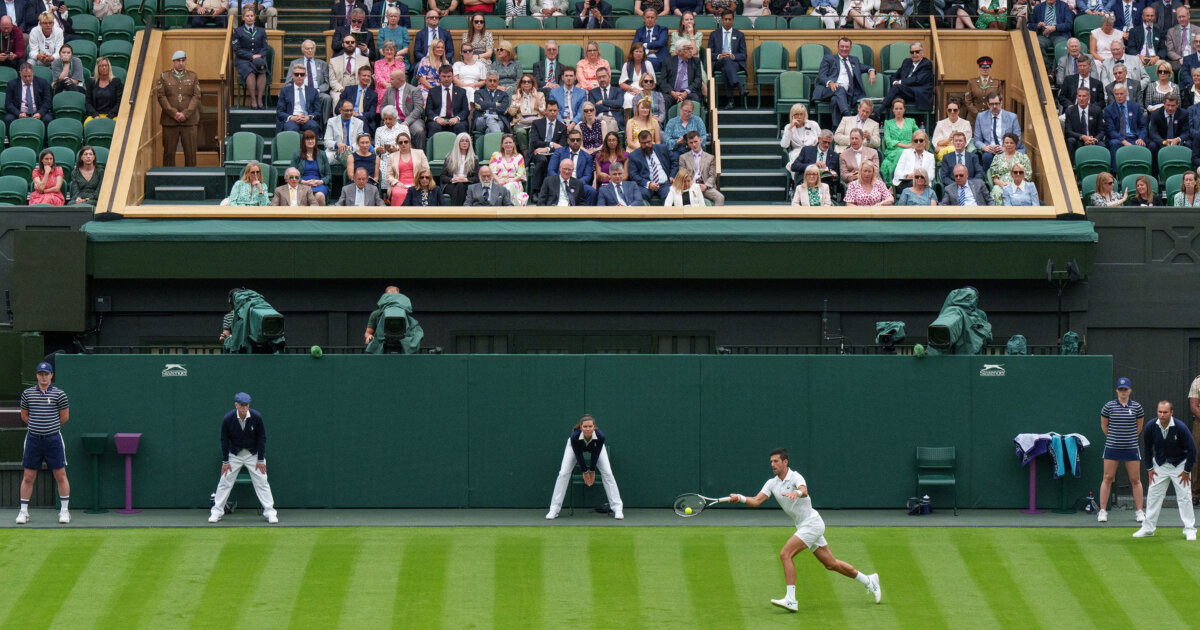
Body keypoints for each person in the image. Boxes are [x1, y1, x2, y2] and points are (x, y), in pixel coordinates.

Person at [727, 448, 880, 612]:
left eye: (776, 461)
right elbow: (756, 501)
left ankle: (791, 600)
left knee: (785, 554)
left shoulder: (795, 476)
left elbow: (804, 490)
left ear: (785, 462)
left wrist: (797, 492)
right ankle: (869, 580)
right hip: (804, 525)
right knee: (831, 564)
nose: (772, 464)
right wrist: (740, 498)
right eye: (771, 461)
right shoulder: (772, 483)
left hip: (812, 523)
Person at [207, 392, 278, 524]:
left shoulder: (256, 417)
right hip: (234, 454)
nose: (245, 408)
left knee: (262, 481)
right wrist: (225, 461)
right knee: (225, 481)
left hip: (254, 455)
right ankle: (216, 511)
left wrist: (261, 459)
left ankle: (270, 512)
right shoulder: (228, 418)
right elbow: (224, 440)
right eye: (242, 405)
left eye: (247, 405)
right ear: (236, 405)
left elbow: (262, 438)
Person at [15, 362, 70, 524]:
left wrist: (49, 427)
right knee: (28, 477)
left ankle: (64, 511)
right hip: (33, 439)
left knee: (60, 475)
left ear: (51, 375)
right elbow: (24, 416)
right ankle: (23, 512)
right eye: (41, 374)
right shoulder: (27, 394)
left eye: (46, 374)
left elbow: (64, 417)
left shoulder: (60, 394)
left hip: (53, 439)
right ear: (37, 375)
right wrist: (38, 427)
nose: (43, 377)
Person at [1133, 400, 1196, 540]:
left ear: (1171, 412)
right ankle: (1148, 528)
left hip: (1180, 465)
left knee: (1184, 497)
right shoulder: (1150, 426)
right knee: (1153, 496)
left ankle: (1190, 529)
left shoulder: (1180, 427)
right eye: (1159, 412)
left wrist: (1186, 471)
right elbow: (1147, 448)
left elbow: (1192, 449)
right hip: (1160, 465)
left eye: (1165, 412)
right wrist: (1150, 468)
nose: (1162, 415)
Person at [546, 414, 624, 520]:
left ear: (594, 427)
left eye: (590, 426)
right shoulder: (574, 437)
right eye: (585, 427)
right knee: (563, 473)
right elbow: (579, 455)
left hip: (596, 449)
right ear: (581, 427)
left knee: (608, 473)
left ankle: (617, 509)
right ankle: (554, 509)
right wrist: (585, 471)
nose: (588, 429)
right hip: (574, 448)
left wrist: (591, 471)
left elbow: (595, 454)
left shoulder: (600, 436)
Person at [1096, 377, 1147, 523]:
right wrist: (1115, 438)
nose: (1123, 392)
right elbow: (1104, 427)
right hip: (1112, 447)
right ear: (1117, 390)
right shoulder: (1108, 406)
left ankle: (1139, 511)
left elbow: (1139, 427)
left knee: (1135, 479)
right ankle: (1103, 511)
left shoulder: (1137, 407)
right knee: (1107, 478)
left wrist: (1128, 439)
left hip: (1131, 448)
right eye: (1121, 389)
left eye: (1125, 389)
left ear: (1130, 390)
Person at [812, 37, 875, 121]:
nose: (844, 49)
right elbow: (821, 76)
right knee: (840, 88)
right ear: (838, 47)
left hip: (846, 94)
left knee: (835, 100)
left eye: (847, 47)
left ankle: (835, 128)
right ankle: (848, 117)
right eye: (842, 46)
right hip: (828, 90)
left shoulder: (854, 60)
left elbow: (866, 67)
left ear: (850, 48)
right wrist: (831, 83)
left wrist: (871, 71)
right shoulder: (829, 59)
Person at [155, 51, 199, 166]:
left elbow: (196, 96)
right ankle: (168, 180)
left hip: (189, 121)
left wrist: (186, 113)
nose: (181, 63)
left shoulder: (192, 76)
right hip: (170, 121)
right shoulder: (164, 76)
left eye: (183, 60)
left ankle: (191, 181)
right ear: (173, 62)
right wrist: (174, 113)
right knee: (169, 154)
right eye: (178, 61)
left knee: (191, 155)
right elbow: (161, 96)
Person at [231, 7, 268, 109]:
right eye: (247, 16)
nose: (250, 18)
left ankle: (260, 99)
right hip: (243, 60)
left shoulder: (261, 30)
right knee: (250, 72)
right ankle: (253, 100)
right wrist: (251, 56)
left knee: (262, 71)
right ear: (243, 18)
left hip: (258, 58)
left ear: (255, 18)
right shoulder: (238, 31)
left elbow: (265, 47)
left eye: (251, 16)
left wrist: (259, 56)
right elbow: (237, 49)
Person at [708, 11, 746, 109]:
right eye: (725, 19)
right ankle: (738, 85)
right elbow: (709, 53)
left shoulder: (740, 35)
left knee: (727, 64)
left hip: (734, 63)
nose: (727, 21)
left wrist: (733, 56)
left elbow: (743, 55)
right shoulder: (714, 34)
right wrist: (719, 55)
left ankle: (730, 101)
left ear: (733, 20)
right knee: (725, 61)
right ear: (721, 20)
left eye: (730, 19)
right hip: (718, 62)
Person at [975, 93, 1023, 170]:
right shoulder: (981, 117)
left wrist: (1006, 148)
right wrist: (984, 147)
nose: (994, 106)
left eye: (997, 104)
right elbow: (977, 140)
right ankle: (989, 181)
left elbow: (1018, 139)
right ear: (988, 104)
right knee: (986, 157)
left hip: (1006, 148)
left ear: (1001, 103)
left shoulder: (1012, 117)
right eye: (991, 104)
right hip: (989, 149)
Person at [882, 42, 933, 113]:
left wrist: (899, 82)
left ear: (922, 53)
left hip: (917, 93)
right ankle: (892, 123)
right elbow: (894, 76)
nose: (914, 54)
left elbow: (917, 80)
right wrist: (894, 82)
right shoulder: (907, 62)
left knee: (897, 87)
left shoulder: (927, 64)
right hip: (904, 91)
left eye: (917, 52)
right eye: (912, 52)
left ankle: (880, 110)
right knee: (897, 101)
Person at [528, 101, 566, 193]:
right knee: (542, 160)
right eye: (550, 110)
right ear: (545, 111)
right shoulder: (536, 123)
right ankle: (536, 191)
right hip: (537, 152)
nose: (552, 112)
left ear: (558, 111)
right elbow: (535, 142)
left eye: (554, 110)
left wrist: (547, 148)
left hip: (554, 153)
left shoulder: (563, 127)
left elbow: (561, 146)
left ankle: (554, 191)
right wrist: (552, 144)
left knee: (557, 159)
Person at [290, 40, 333, 123]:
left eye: (312, 48)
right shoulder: (294, 63)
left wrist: (318, 90)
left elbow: (327, 83)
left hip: (317, 92)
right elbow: (288, 82)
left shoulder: (322, 64)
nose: (310, 51)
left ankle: (326, 125)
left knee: (327, 98)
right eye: (307, 48)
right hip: (300, 91)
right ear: (303, 50)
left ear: (315, 49)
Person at [549, 130, 596, 204]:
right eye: (572, 140)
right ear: (568, 141)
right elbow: (551, 170)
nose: (575, 142)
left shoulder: (587, 157)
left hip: (578, 184)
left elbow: (587, 176)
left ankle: (588, 215)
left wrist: (577, 184)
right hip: (560, 182)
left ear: (581, 141)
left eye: (578, 140)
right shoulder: (559, 152)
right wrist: (560, 182)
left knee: (591, 191)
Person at [627, 130, 674, 203]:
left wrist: (672, 175)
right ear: (639, 143)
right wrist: (647, 184)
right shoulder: (634, 155)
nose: (647, 145)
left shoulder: (662, 148)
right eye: (644, 143)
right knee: (641, 195)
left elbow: (675, 161)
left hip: (664, 183)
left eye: (649, 142)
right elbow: (633, 174)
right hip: (646, 185)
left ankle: (665, 214)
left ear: (652, 140)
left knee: (669, 195)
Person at [1105, 84, 1148, 164]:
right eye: (1117, 94)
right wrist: (1124, 141)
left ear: (1126, 94)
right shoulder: (1109, 109)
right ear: (1114, 95)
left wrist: (1141, 138)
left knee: (1141, 144)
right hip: (1118, 138)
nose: (1119, 96)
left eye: (1121, 94)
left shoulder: (1135, 106)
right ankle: (1116, 172)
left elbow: (1142, 126)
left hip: (1134, 137)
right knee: (1114, 143)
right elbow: (1110, 131)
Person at [679, 131, 723, 205]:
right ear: (688, 144)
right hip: (690, 187)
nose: (694, 145)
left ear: (700, 140)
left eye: (696, 141)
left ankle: (716, 216)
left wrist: (705, 186)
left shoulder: (710, 158)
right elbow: (683, 174)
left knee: (720, 197)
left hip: (705, 186)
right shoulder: (683, 158)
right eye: (691, 143)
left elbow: (712, 175)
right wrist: (692, 185)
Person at [374, 105, 410, 196]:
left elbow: (408, 147)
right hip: (383, 159)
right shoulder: (379, 130)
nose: (387, 121)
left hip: (399, 157)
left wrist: (396, 149)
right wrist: (378, 150)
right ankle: (384, 195)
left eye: (390, 119)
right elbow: (376, 147)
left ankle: (397, 194)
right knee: (380, 166)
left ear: (395, 118)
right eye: (385, 119)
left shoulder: (403, 129)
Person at [277, 62, 322, 134]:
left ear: (305, 76)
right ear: (292, 76)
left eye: (302, 74)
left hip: (307, 119)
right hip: (292, 118)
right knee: (291, 128)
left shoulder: (313, 91)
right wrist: (292, 118)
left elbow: (318, 112)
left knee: (313, 126)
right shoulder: (285, 91)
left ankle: (312, 145)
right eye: (296, 74)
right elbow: (280, 112)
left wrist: (308, 117)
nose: (299, 76)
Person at [987, 133, 1032, 203]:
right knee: (996, 191)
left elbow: (1027, 176)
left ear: (1016, 144)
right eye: (1006, 142)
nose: (1009, 145)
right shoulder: (997, 157)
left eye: (1011, 143)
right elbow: (994, 178)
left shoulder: (1023, 157)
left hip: (1019, 185)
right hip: (1001, 185)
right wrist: (1001, 184)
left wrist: (1014, 185)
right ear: (1003, 144)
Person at [879, 98, 916, 184]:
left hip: (910, 149)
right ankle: (895, 180)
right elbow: (888, 141)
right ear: (893, 110)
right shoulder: (888, 123)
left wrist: (913, 144)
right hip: (894, 150)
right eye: (896, 109)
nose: (898, 111)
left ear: (904, 109)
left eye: (900, 108)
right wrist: (906, 146)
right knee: (901, 152)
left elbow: (918, 134)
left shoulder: (911, 122)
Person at [426, 64, 469, 136]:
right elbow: (428, 110)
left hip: (455, 119)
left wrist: (457, 118)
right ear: (439, 76)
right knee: (434, 126)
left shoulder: (461, 91)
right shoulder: (432, 92)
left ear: (452, 77)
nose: (446, 79)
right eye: (444, 76)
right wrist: (437, 118)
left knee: (461, 126)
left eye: (449, 76)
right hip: (439, 120)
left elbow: (465, 110)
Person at [386, 132, 428, 205]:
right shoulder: (392, 156)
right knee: (398, 193)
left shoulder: (420, 153)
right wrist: (397, 183)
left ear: (410, 142)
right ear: (397, 144)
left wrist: (418, 182)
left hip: (417, 183)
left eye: (406, 142)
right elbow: (389, 175)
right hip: (399, 184)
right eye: (400, 142)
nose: (403, 144)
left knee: (415, 192)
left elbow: (426, 170)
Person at [1064, 86, 1106, 158]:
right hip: (1078, 140)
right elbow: (1068, 131)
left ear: (1089, 98)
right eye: (1079, 96)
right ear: (1077, 97)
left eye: (1084, 96)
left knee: (1103, 145)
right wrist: (1082, 137)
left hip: (1093, 140)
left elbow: (1101, 131)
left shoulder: (1097, 110)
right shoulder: (1070, 111)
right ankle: (1070, 167)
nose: (1081, 99)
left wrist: (1094, 139)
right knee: (1070, 141)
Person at [292, 129, 330, 205]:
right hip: (302, 184)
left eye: (312, 139)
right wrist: (304, 182)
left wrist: (320, 181)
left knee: (319, 196)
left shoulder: (322, 154)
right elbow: (291, 175)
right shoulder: (297, 155)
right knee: (304, 196)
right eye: (307, 139)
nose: (310, 141)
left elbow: (328, 175)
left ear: (315, 140)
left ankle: (320, 217)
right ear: (303, 141)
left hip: (318, 184)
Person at [490, 133, 530, 205]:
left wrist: (510, 180)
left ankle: (509, 209)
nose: (508, 144)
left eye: (510, 142)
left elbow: (521, 174)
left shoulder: (519, 157)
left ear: (513, 144)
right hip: (498, 181)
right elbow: (492, 172)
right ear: (502, 145)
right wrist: (499, 181)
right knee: (500, 188)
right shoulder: (495, 155)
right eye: (506, 143)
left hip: (514, 182)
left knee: (508, 187)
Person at [507, 74, 544, 153]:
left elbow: (544, 111)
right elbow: (512, 113)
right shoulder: (515, 96)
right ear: (521, 84)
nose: (526, 84)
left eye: (529, 82)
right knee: (520, 132)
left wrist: (536, 97)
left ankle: (532, 153)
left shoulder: (540, 95)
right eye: (524, 82)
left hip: (535, 121)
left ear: (532, 84)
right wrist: (517, 99)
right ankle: (526, 155)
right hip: (521, 122)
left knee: (532, 131)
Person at [660, 41, 702, 108]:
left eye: (691, 48)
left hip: (688, 93)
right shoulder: (668, 61)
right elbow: (663, 81)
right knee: (664, 100)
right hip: (671, 93)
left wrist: (686, 92)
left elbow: (698, 80)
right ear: (679, 51)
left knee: (695, 98)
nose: (691, 51)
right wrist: (672, 93)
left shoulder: (696, 61)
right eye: (688, 49)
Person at [440, 132, 478, 205]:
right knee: (459, 186)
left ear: (470, 144)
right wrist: (452, 179)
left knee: (461, 185)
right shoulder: (449, 158)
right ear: (458, 143)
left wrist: (465, 179)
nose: (464, 143)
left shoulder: (474, 159)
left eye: (467, 141)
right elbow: (442, 176)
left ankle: (455, 212)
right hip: (452, 184)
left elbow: (477, 178)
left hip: (467, 184)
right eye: (462, 141)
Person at [329, 33, 370, 100]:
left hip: (359, 89)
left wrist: (360, 89)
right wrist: (342, 90)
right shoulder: (333, 61)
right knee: (337, 99)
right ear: (343, 44)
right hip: (340, 90)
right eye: (347, 42)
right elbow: (332, 81)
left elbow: (368, 78)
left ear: (355, 44)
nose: (350, 44)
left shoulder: (364, 60)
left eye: (352, 42)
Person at [780, 103, 819, 171]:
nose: (799, 117)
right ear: (792, 116)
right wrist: (790, 129)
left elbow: (820, 139)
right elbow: (784, 145)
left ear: (805, 115)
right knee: (796, 165)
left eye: (801, 114)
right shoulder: (788, 127)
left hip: (812, 152)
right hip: (797, 153)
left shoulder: (813, 124)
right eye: (796, 114)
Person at [341, 66, 379, 136]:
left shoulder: (373, 95)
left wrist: (359, 114)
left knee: (362, 119)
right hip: (347, 117)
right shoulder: (348, 90)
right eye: (364, 75)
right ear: (358, 76)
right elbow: (338, 108)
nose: (366, 78)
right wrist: (350, 113)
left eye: (368, 76)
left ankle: (365, 142)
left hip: (364, 120)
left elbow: (372, 114)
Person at [619, 42, 655, 112]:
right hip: (631, 90)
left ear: (643, 53)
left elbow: (653, 82)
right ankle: (628, 121)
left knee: (644, 99)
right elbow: (621, 84)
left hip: (646, 90)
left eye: (641, 51)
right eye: (636, 51)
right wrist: (632, 89)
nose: (638, 53)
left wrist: (643, 91)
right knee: (627, 98)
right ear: (632, 53)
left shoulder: (648, 64)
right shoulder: (626, 65)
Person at [964, 56, 1001, 123]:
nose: (985, 69)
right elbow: (968, 101)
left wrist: (991, 112)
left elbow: (999, 100)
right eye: (983, 67)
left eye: (987, 67)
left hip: (990, 117)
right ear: (979, 68)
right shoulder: (972, 82)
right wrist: (977, 114)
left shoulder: (996, 82)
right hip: (974, 118)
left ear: (990, 68)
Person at [587, 69, 623, 137]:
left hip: (613, 118)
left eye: (604, 76)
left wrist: (603, 102)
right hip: (598, 118)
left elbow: (619, 103)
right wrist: (611, 107)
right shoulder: (592, 92)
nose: (602, 79)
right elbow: (593, 108)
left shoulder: (618, 90)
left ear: (609, 77)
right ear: (597, 79)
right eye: (599, 77)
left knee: (607, 124)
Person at [84, 56, 121, 123]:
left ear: (109, 67)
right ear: (97, 68)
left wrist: (109, 116)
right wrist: (95, 115)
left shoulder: (116, 81)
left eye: (106, 65)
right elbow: (88, 103)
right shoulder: (91, 82)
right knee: (87, 124)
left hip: (112, 116)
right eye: (101, 66)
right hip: (95, 115)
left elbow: (119, 102)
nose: (104, 68)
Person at [373, 39, 405, 109]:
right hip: (381, 90)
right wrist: (387, 84)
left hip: (396, 89)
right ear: (383, 52)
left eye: (391, 50)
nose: (389, 52)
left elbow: (400, 80)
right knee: (386, 93)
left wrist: (390, 85)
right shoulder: (377, 63)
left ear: (395, 52)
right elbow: (379, 79)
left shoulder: (401, 65)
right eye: (387, 50)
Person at [1166, 5, 1194, 70]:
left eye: (1183, 16)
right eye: (1179, 17)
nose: (1181, 19)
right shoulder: (1171, 31)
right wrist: (1179, 58)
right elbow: (1170, 51)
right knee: (1174, 68)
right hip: (1178, 60)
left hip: (1194, 58)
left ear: (1189, 16)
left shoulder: (1198, 30)